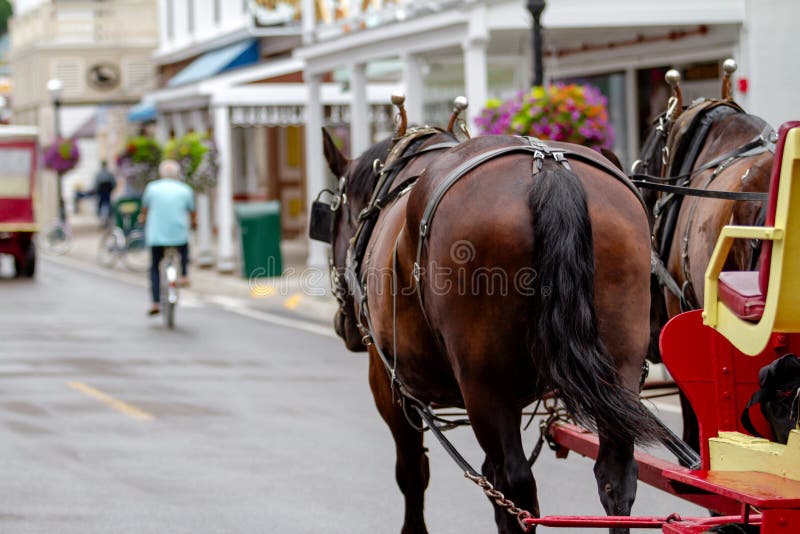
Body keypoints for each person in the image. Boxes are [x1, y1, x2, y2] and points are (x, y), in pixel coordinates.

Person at [139, 160, 195, 316]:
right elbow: (192, 211)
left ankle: (155, 302)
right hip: (178, 234)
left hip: (157, 236)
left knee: (155, 266)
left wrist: (142, 218)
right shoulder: (185, 190)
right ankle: (184, 274)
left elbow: (145, 209)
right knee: (184, 247)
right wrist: (194, 222)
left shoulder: (152, 188)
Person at [93, 161, 116, 226]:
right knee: (104, 205)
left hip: (104, 192)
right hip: (104, 192)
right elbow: (113, 183)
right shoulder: (108, 173)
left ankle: (104, 219)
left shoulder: (100, 174)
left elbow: (96, 184)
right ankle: (104, 219)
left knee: (104, 205)